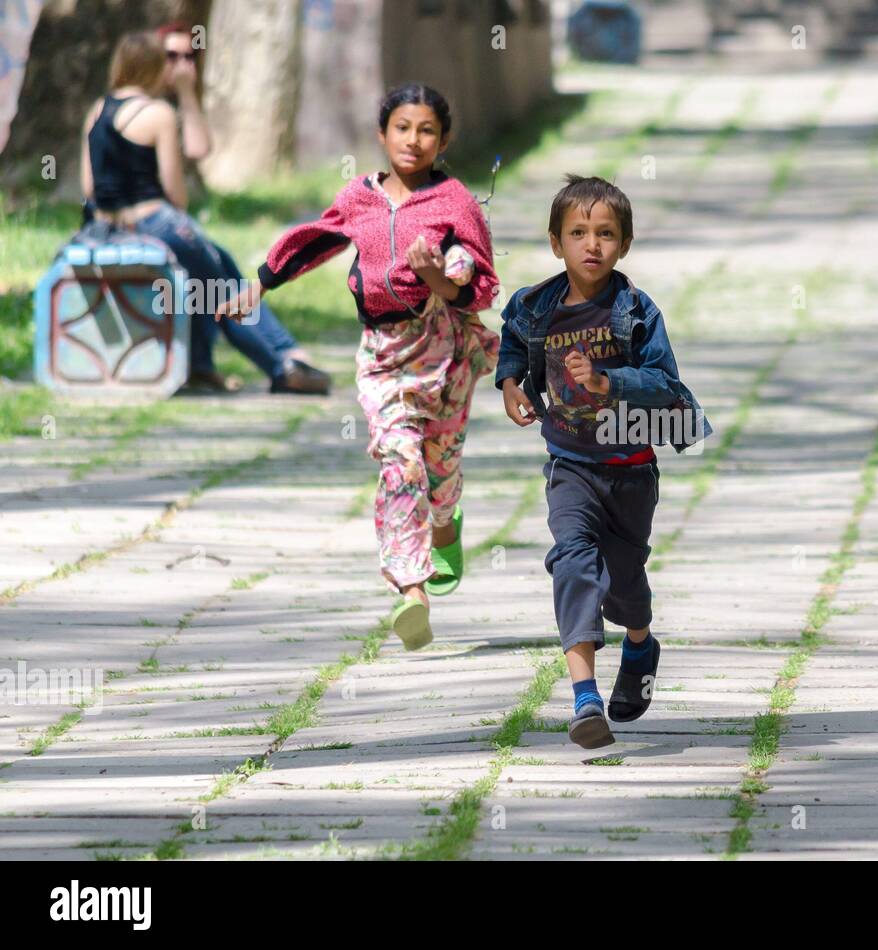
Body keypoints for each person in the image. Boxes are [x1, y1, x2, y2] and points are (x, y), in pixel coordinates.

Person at [218, 83, 500, 651]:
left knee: (439, 475)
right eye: (402, 128)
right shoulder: (360, 197)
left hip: (443, 350)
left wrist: (439, 276)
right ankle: (411, 592)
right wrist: (260, 284)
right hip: (383, 356)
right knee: (400, 464)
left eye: (426, 131)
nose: (413, 141)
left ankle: (446, 525)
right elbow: (316, 240)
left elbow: (479, 285)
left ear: (442, 140)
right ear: (382, 133)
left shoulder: (455, 202)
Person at [497, 175, 711, 749]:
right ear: (555, 241)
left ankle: (639, 642)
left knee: (624, 587)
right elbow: (513, 340)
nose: (591, 245)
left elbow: (667, 385)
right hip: (570, 464)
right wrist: (510, 382)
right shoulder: (536, 305)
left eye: (606, 234)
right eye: (578, 233)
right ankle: (584, 698)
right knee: (573, 563)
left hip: (632, 469)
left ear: (625, 244)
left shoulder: (636, 311)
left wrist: (611, 380)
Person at [80, 30, 329, 395]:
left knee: (217, 264)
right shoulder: (158, 113)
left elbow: (89, 188)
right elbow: (176, 196)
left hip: (105, 228)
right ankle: (282, 362)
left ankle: (209, 366)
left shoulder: (96, 110)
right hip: (156, 222)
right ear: (153, 66)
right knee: (220, 288)